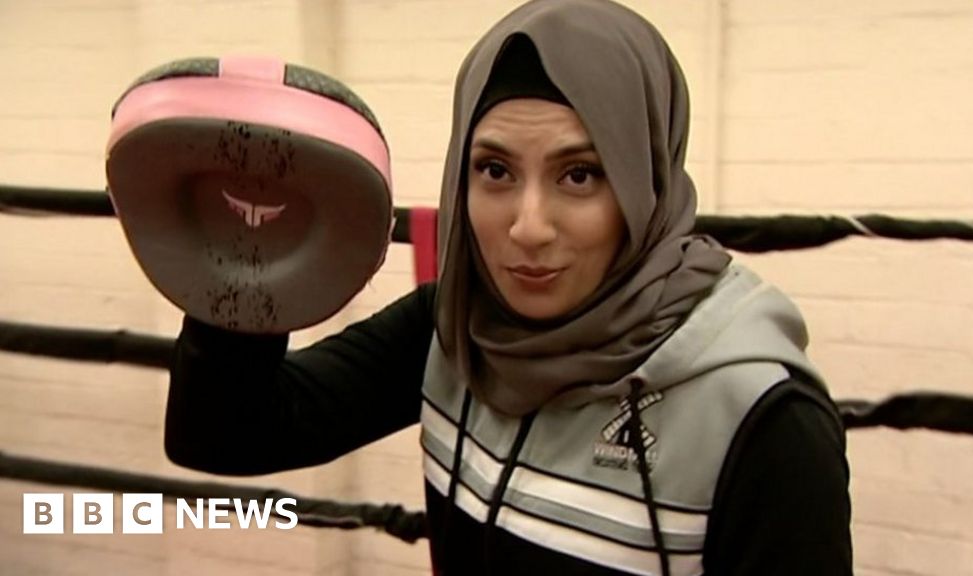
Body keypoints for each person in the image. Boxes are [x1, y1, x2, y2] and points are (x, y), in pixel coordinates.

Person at [165, 0, 853, 574]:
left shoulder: (758, 419)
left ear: (644, 185)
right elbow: (224, 435)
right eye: (494, 170)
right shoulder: (457, 330)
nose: (527, 227)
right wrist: (248, 245)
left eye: (579, 174)